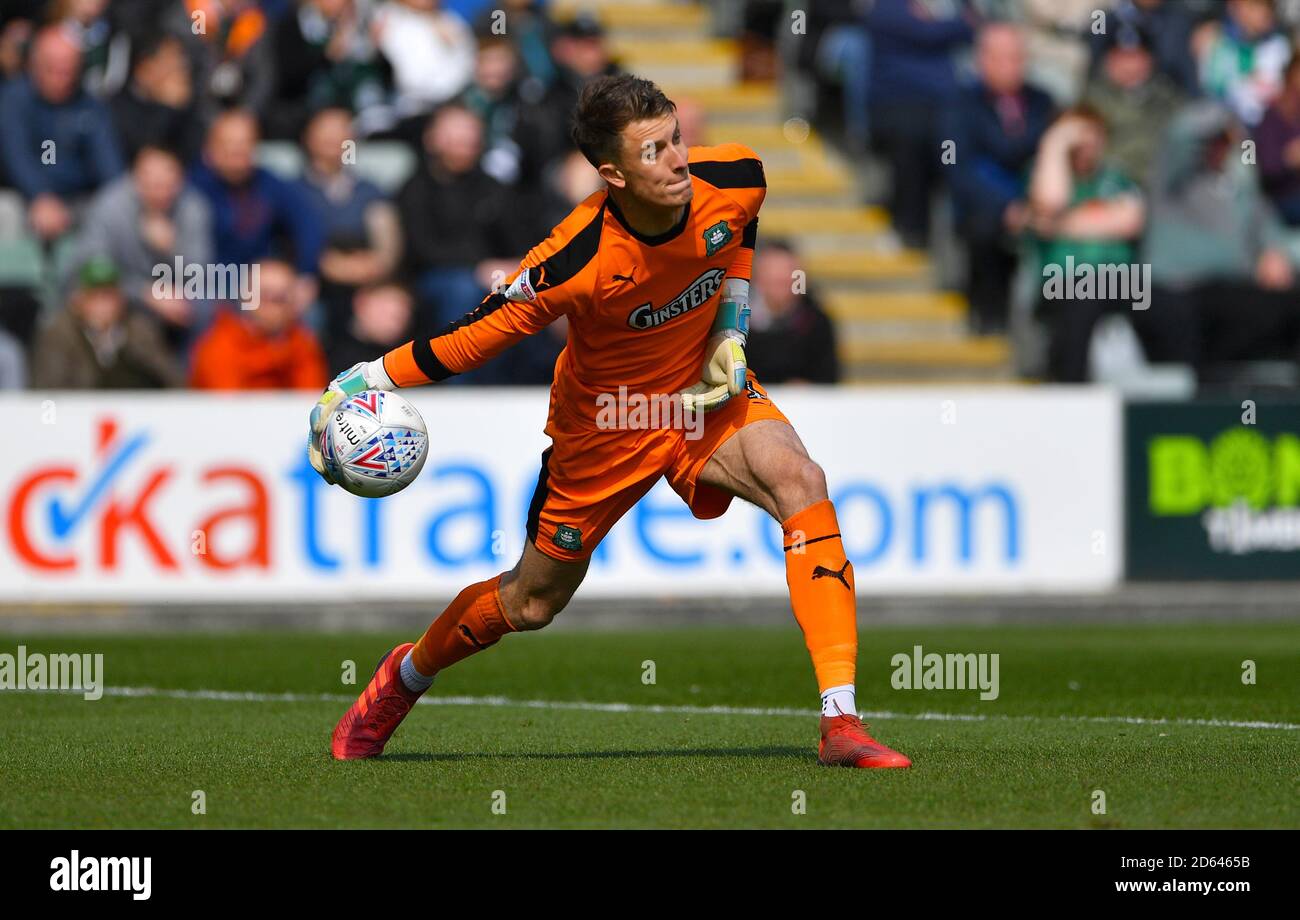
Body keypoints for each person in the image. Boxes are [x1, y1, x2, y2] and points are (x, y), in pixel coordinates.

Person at [313, 74, 911, 769]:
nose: (678, 160)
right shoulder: (575, 257)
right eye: (653, 152)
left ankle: (841, 722)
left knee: (800, 479)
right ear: (612, 174)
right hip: (604, 427)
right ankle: (405, 678)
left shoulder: (737, 175)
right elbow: (471, 339)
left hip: (700, 397)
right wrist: (363, 379)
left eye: (676, 139)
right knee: (532, 603)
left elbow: (743, 226)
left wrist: (732, 325)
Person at [947, 21, 1055, 332]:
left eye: (1017, 57)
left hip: (1034, 201)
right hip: (985, 206)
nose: (1011, 66)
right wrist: (1007, 206)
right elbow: (958, 166)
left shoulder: (1042, 101)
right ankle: (988, 315)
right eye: (1001, 57)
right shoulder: (959, 103)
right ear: (982, 59)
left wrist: (1035, 204)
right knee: (984, 232)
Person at [1028, 106, 1146, 382]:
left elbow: (1130, 221)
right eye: (1075, 133)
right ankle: (1071, 391)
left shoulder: (1116, 178)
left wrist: (1060, 225)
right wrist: (1055, 145)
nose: (1085, 141)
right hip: (1060, 281)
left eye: (1092, 132)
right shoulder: (1041, 175)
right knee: (1081, 300)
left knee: (1169, 303)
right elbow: (1050, 202)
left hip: (1122, 282)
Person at [0, 26, 124, 242]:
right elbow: (16, 155)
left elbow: (108, 163)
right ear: (34, 64)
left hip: (77, 201)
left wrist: (123, 201)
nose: (61, 79)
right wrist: (40, 195)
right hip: (23, 197)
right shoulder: (12, 100)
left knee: (117, 211)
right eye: (52, 69)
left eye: (68, 71)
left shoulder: (90, 105)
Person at [31, 256, 184, 389]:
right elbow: (47, 389)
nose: (103, 306)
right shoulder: (59, 334)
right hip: (74, 417)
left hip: (135, 417)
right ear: (78, 300)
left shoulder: (139, 331)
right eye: (95, 297)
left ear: (121, 299)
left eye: (108, 296)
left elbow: (172, 380)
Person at [190, 259, 328, 389]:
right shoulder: (220, 345)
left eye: (282, 297)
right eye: (265, 296)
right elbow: (224, 407)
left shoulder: (302, 342)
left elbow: (312, 399)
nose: (274, 307)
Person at [746, 240, 840, 383]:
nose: (781, 280)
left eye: (787, 276)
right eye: (773, 277)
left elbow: (828, 378)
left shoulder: (817, 322)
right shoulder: (736, 322)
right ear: (758, 279)